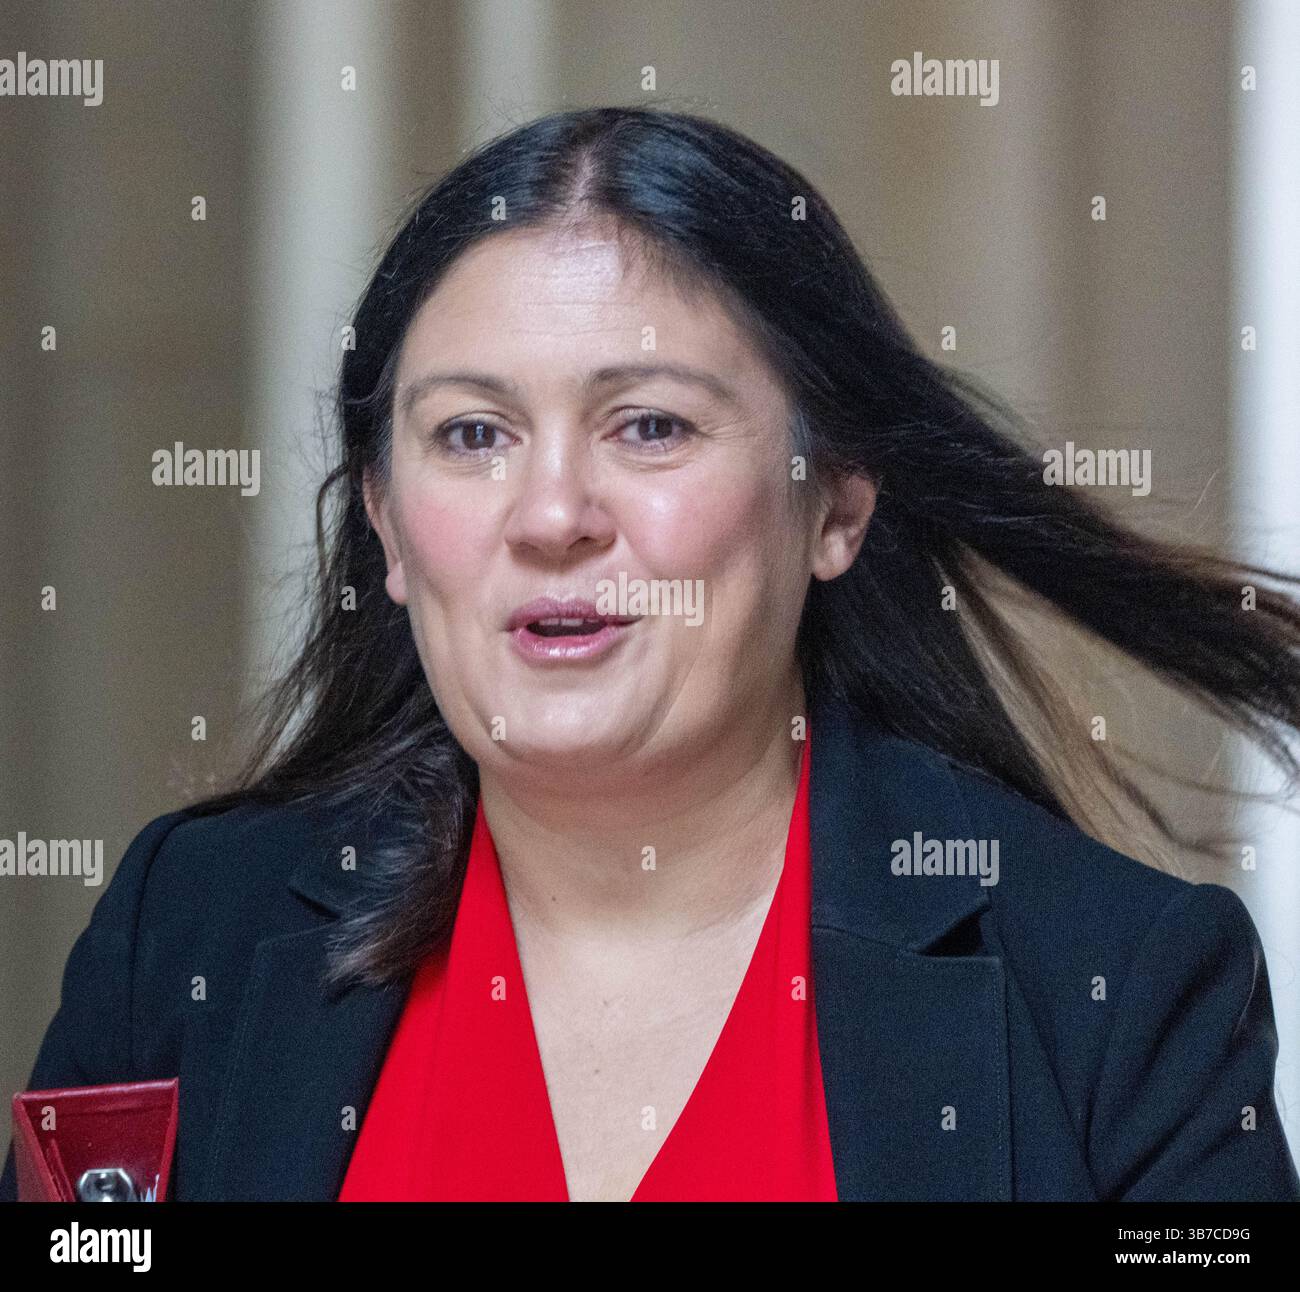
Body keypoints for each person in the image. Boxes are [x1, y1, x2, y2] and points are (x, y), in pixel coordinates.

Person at [4, 106, 1299, 1202]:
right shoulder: (191, 933)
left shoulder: (1115, 988)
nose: (553, 515)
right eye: (471, 435)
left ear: (837, 506)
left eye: (650, 426)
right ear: (390, 527)